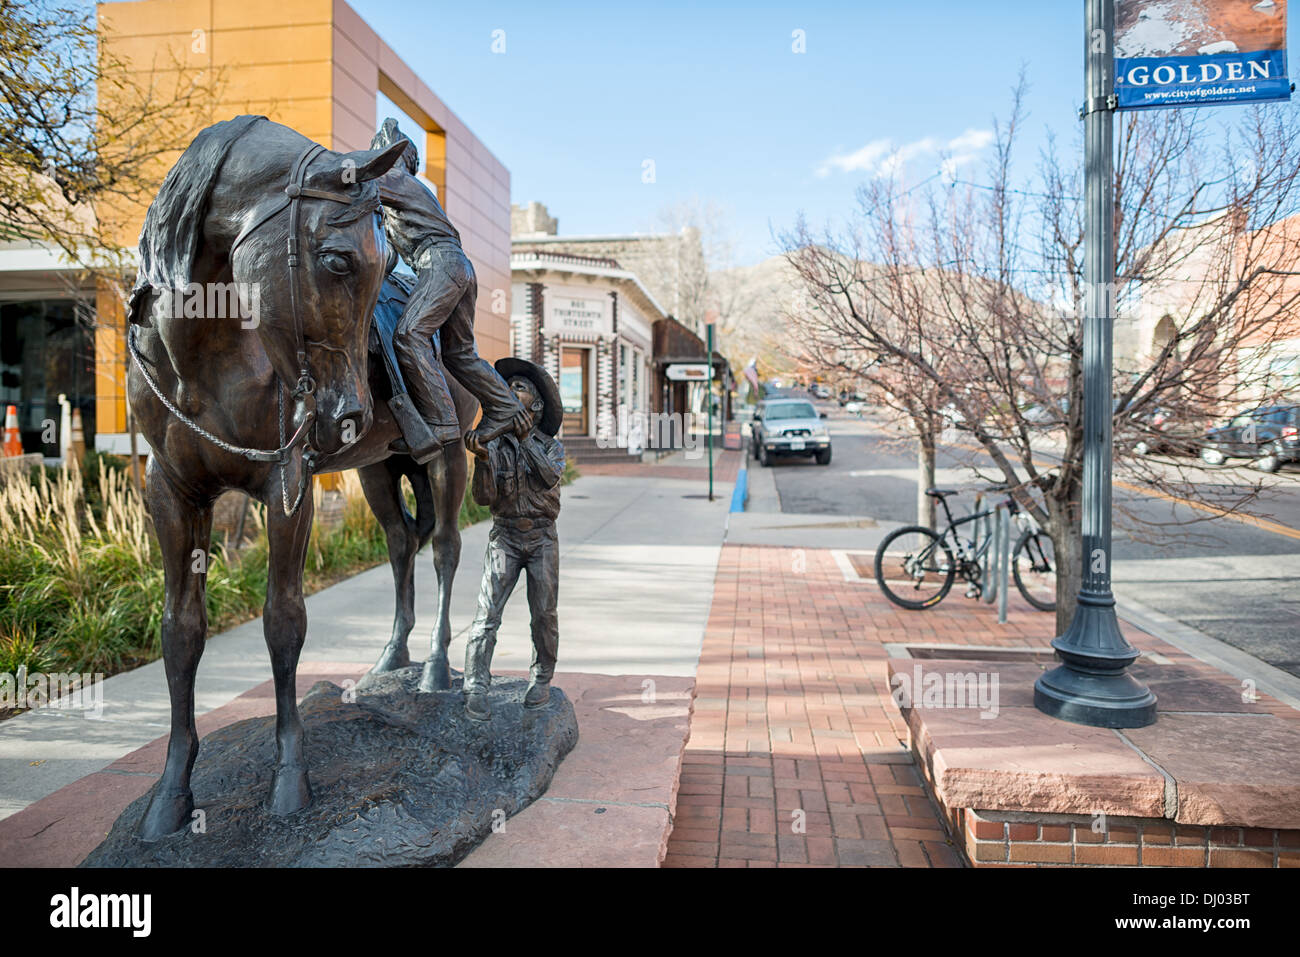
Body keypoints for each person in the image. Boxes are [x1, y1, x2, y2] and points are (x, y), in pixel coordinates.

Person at [369, 118, 527, 461]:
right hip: (457, 266)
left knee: (409, 335)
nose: (373, 159)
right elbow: (390, 255)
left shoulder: (395, 178)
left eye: (377, 153)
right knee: (459, 354)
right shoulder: (402, 198)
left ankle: (441, 422)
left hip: (439, 264)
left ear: (395, 157)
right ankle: (504, 407)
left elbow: (355, 178)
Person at [462, 358, 566, 720]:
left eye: (519, 387)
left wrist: (525, 441)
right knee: (486, 616)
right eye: (507, 387)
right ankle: (475, 684)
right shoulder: (494, 445)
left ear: (535, 406)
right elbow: (482, 499)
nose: (509, 390)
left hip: (541, 540)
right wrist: (482, 461)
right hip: (504, 538)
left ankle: (541, 677)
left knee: (543, 615)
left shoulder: (551, 446)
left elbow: (549, 476)